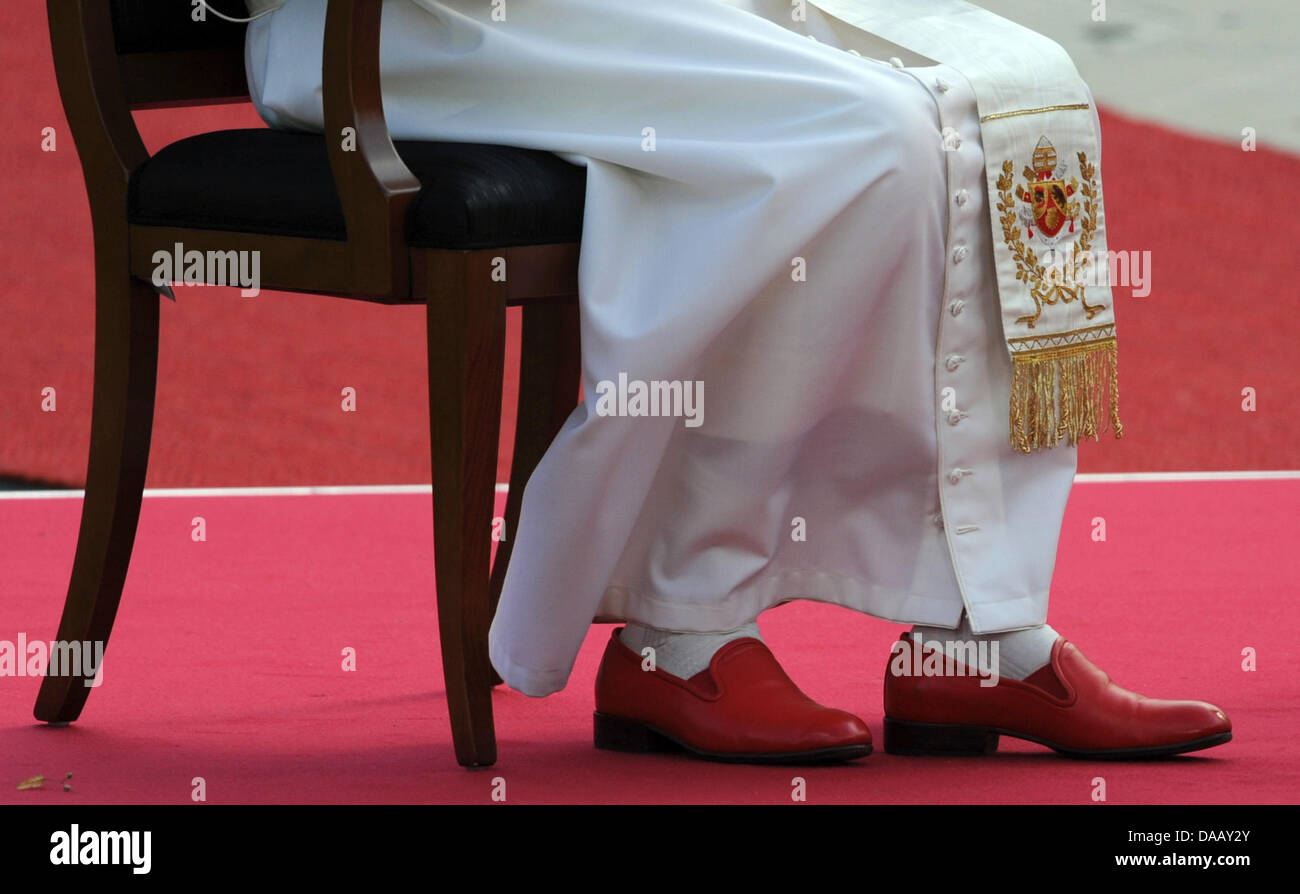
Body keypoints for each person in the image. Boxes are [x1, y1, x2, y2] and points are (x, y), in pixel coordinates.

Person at [241, 0, 1230, 761]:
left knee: (1006, 91)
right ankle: (682, 628)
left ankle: (976, 632)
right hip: (418, 31)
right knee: (869, 133)